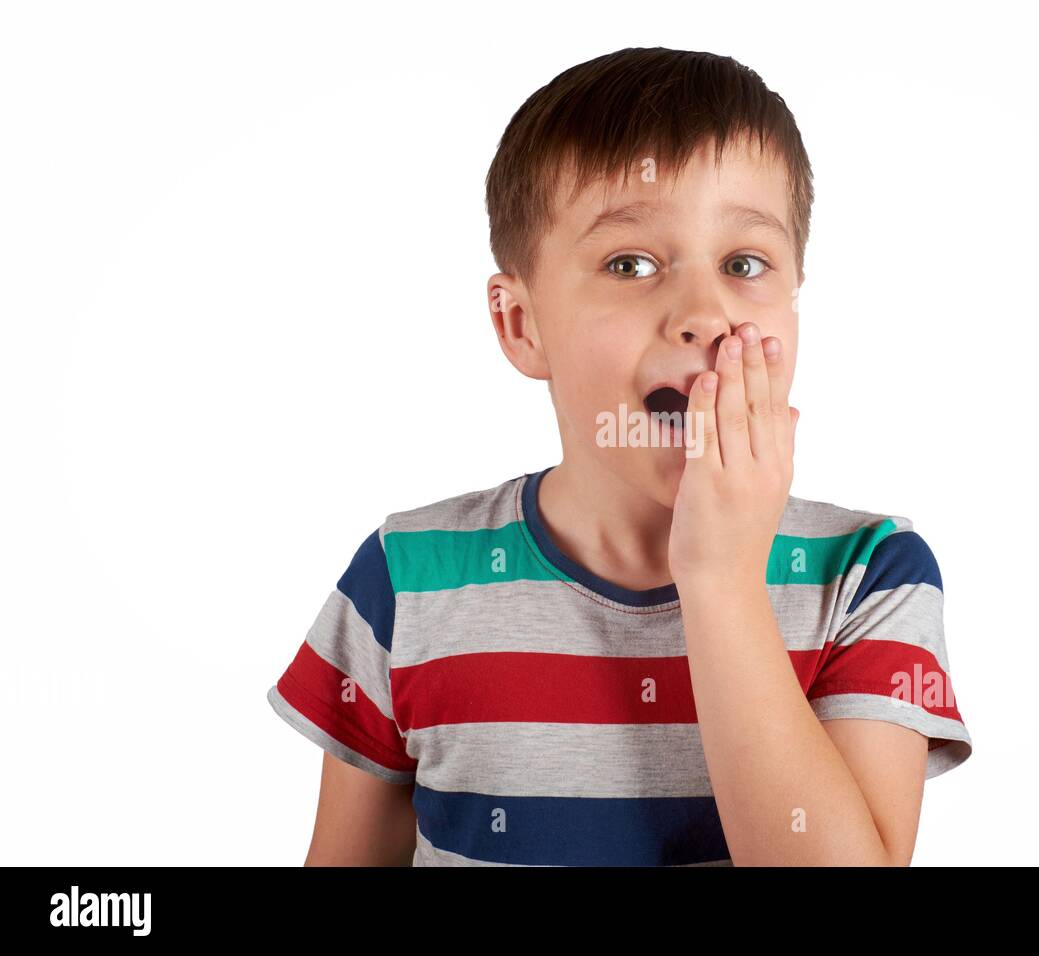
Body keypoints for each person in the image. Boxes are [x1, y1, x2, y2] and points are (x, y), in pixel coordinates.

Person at [267, 46, 973, 866]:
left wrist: (721, 581)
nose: (704, 313)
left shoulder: (871, 576)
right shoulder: (408, 577)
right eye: (630, 263)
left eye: (744, 264)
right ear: (522, 325)